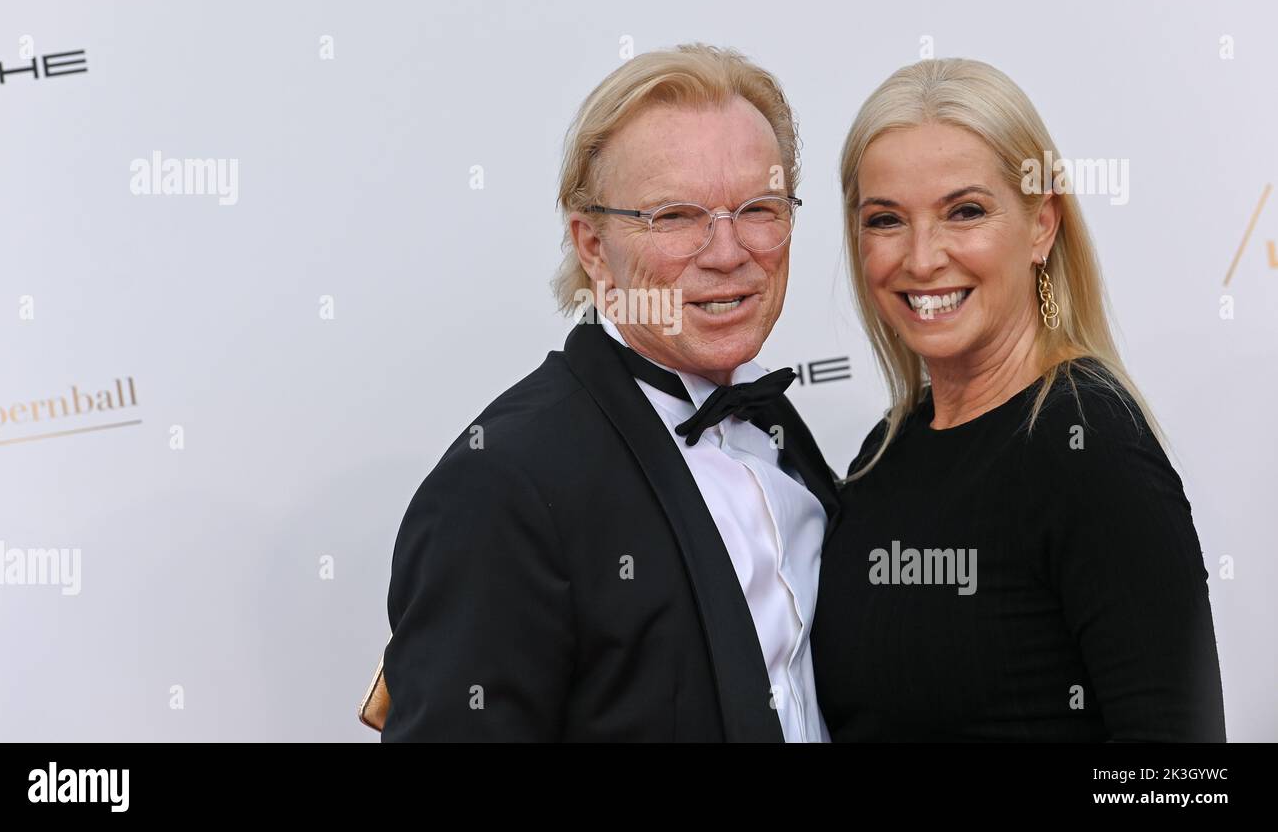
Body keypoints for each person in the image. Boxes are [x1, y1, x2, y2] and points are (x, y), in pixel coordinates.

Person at [382, 44, 840, 742]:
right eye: (676, 217)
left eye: (758, 207)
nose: (726, 251)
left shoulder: (776, 424)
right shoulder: (504, 483)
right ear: (593, 246)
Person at [812, 58, 1226, 741]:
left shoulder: (1090, 446)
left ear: (1041, 226)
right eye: (886, 220)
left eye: (964, 211)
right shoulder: (884, 456)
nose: (921, 258)